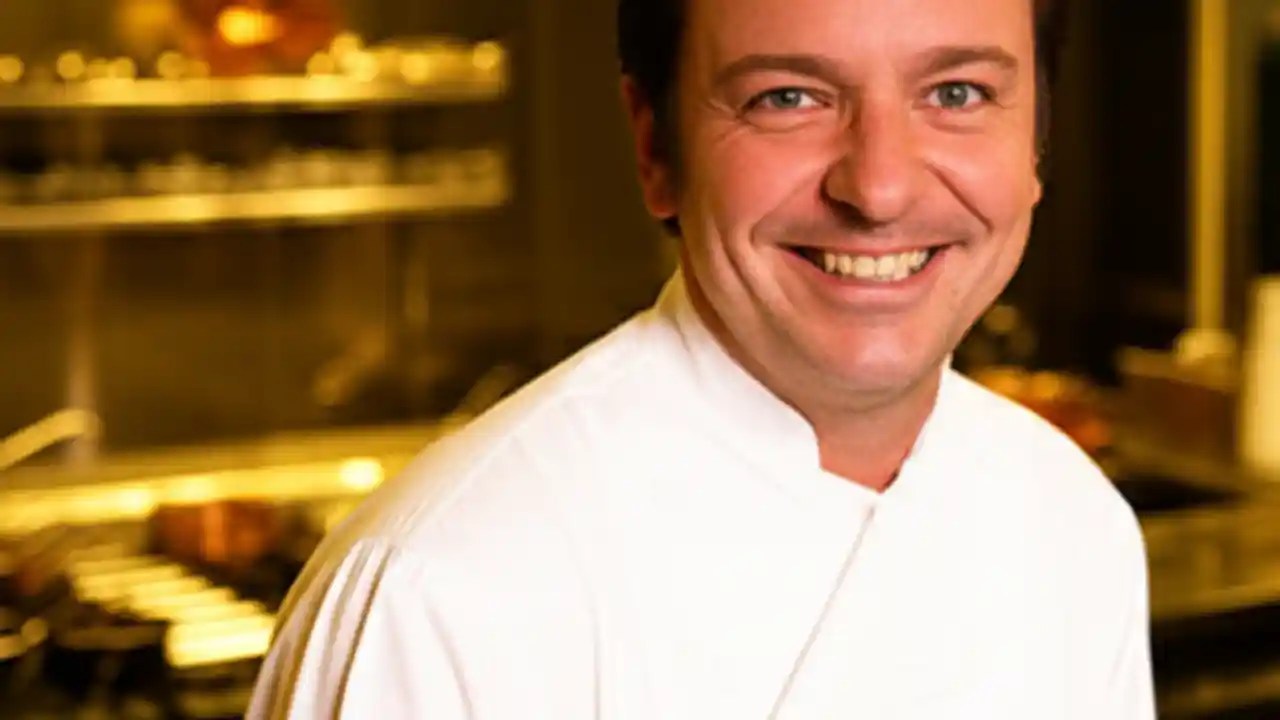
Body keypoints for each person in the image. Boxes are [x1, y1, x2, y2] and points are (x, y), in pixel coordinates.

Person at [248, 0, 1155, 716]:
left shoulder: (1072, 524)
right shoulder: (439, 592)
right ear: (654, 147)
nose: (879, 188)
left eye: (956, 94)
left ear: (1037, 137)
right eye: (788, 97)